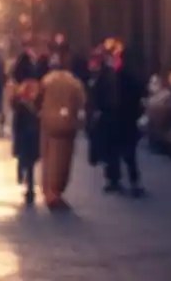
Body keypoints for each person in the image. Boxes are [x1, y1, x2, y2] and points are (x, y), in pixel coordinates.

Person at [90, 38, 145, 196]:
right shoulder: (107, 73)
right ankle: (114, 179)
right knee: (112, 150)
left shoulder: (126, 74)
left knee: (128, 151)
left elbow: (136, 92)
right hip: (112, 117)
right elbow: (98, 92)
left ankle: (132, 180)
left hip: (124, 117)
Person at [39, 58, 86, 210]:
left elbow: (37, 100)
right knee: (62, 161)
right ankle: (57, 191)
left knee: (48, 158)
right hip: (66, 126)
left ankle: (48, 192)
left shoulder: (46, 81)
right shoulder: (74, 83)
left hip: (48, 124)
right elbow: (81, 101)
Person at [10, 45, 46, 205]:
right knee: (31, 151)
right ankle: (30, 183)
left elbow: (12, 102)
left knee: (22, 147)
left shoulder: (16, 85)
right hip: (33, 120)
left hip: (21, 119)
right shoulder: (36, 85)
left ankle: (22, 167)